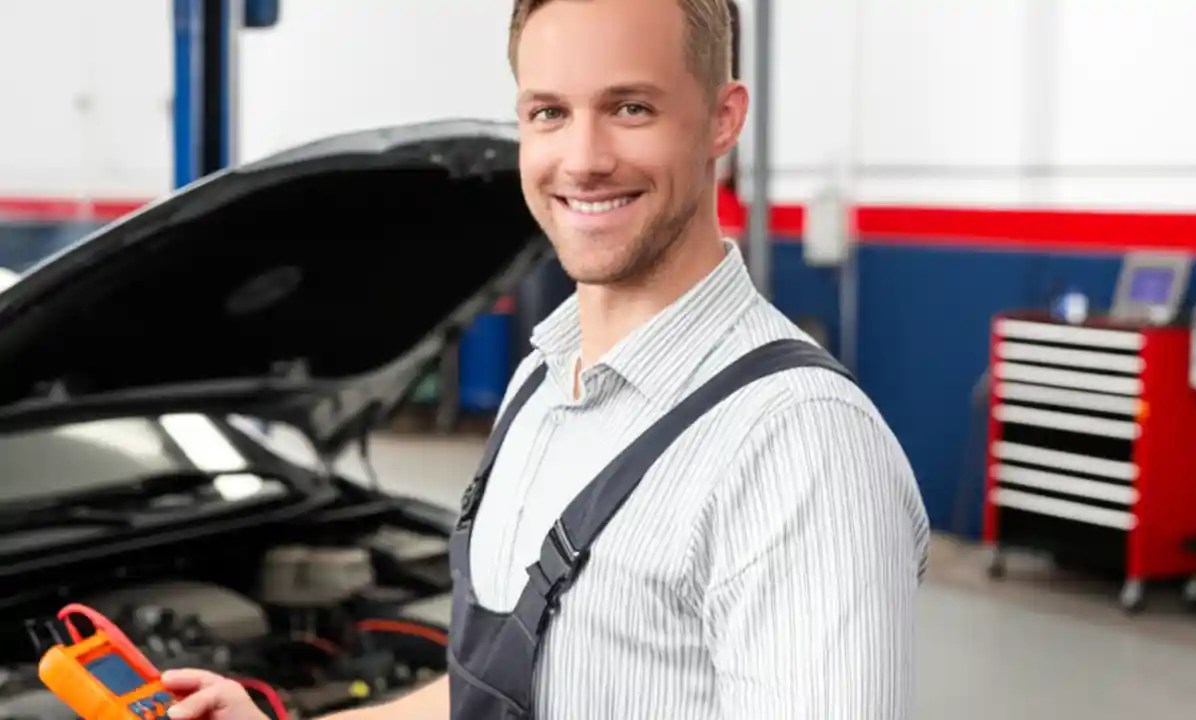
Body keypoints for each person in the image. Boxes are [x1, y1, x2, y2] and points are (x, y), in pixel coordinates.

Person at [162, 0, 930, 717]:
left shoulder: (801, 447)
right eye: (550, 113)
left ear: (722, 120)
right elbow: (483, 687)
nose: (584, 159)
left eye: (631, 108)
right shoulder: (541, 381)